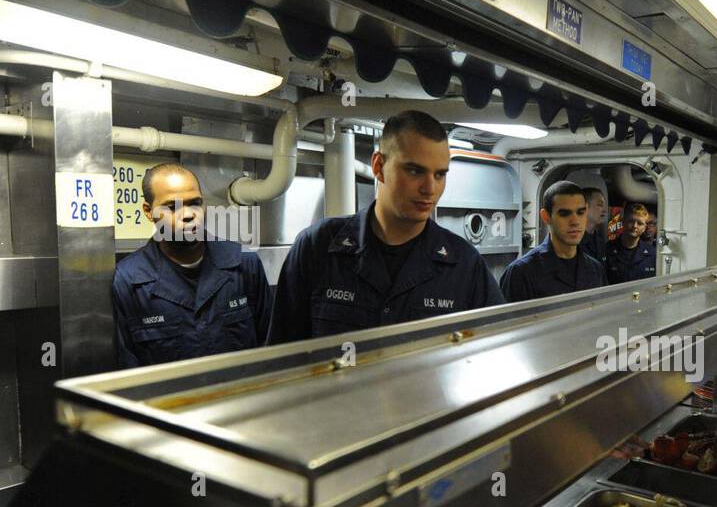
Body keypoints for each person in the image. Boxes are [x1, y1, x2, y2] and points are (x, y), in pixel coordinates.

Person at [268, 110, 503, 342]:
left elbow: (495, 354)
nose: (430, 188)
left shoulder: (464, 265)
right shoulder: (317, 248)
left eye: (440, 175)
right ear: (379, 166)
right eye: (414, 171)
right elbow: (280, 358)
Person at [111, 163, 271, 367]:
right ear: (148, 211)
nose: (187, 214)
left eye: (195, 203)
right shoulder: (130, 281)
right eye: (172, 207)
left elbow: (271, 348)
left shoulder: (244, 265)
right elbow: (127, 368)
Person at [499, 180, 606, 301]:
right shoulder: (522, 273)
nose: (575, 221)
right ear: (546, 216)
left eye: (580, 212)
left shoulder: (595, 269)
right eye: (564, 214)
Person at [605, 202, 657, 285]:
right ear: (623, 222)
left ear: (644, 228)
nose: (635, 226)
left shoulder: (653, 254)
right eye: (631, 221)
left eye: (640, 223)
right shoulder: (607, 250)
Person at [578, 186, 609, 266]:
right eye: (600, 205)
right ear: (584, 207)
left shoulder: (601, 242)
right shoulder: (572, 242)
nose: (605, 210)